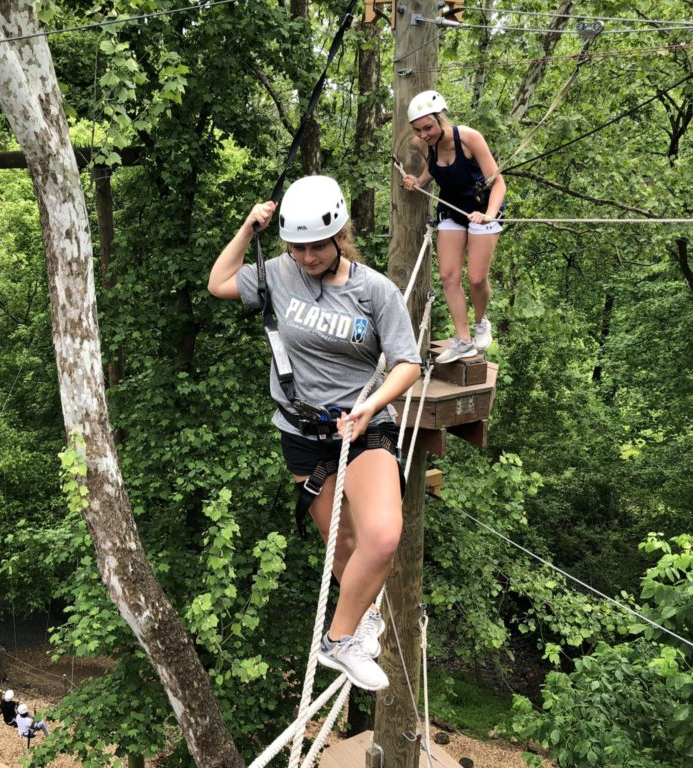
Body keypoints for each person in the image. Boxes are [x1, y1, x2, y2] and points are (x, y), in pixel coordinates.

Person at [208, 175, 422, 691]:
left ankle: (339, 639)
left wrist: (371, 405)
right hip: (303, 434)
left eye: (317, 246)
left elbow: (408, 363)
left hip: (362, 425)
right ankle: (361, 617)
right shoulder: (277, 274)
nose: (306, 257)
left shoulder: (374, 291)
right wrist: (246, 227)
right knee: (343, 546)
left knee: (383, 536)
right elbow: (219, 282)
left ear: (339, 235)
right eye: (297, 247)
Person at [401, 90, 506, 363]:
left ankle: (481, 321)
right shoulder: (422, 144)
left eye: (428, 127)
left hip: (482, 208)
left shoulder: (470, 139)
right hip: (451, 209)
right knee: (449, 276)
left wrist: (490, 215)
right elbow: (435, 171)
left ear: (441, 119)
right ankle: (463, 340)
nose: (424, 135)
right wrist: (419, 181)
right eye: (418, 130)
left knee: (476, 278)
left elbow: (499, 183)